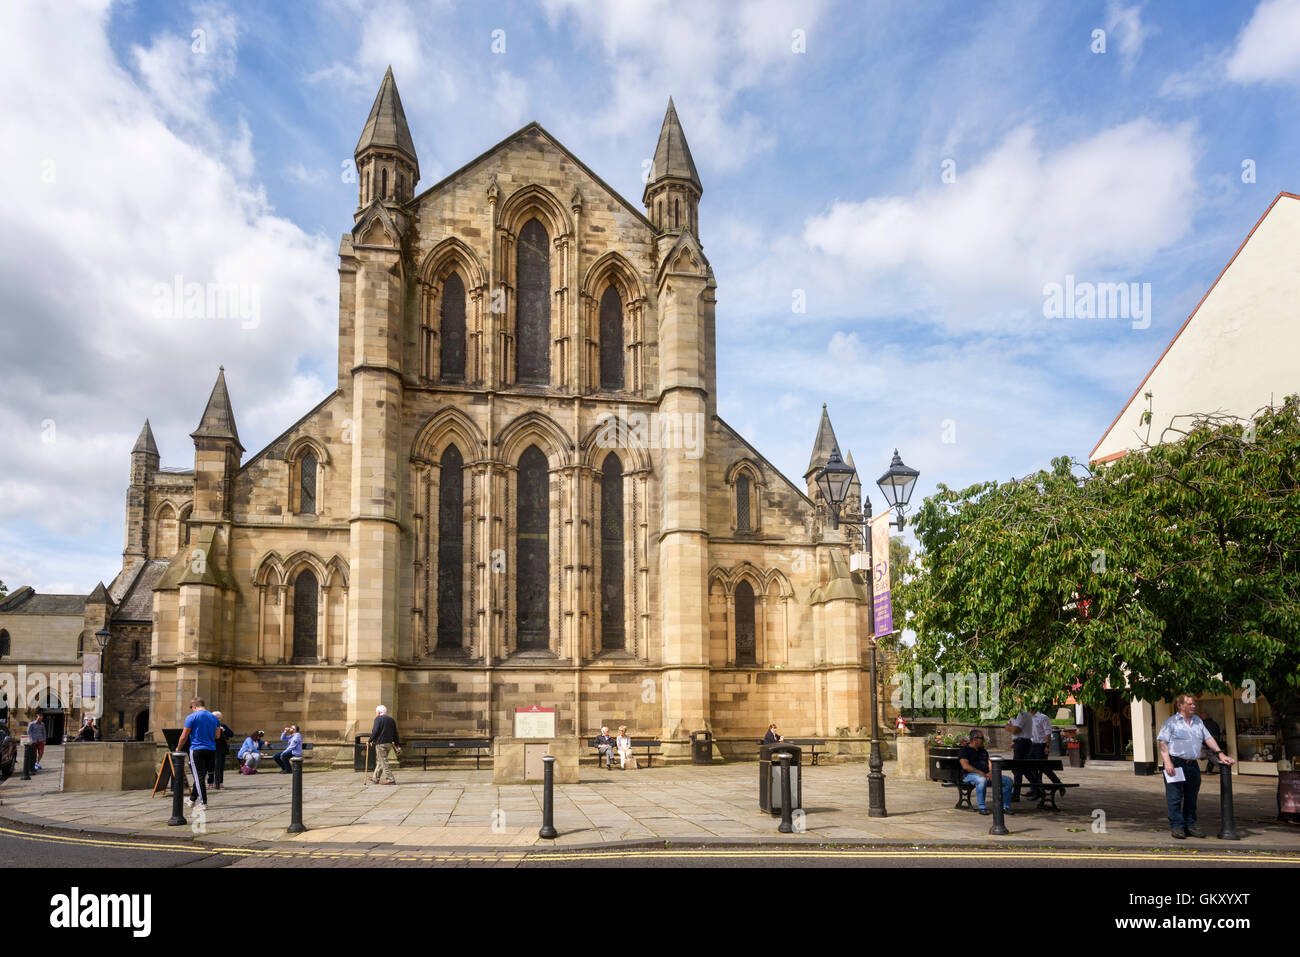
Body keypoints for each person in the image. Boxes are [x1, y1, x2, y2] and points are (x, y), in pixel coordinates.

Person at [1157, 694, 1235, 839]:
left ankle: (1190, 825)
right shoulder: (1171, 722)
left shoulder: (1198, 721)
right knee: (1174, 797)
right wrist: (1167, 762)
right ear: (1180, 706)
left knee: (1191, 798)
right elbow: (1163, 743)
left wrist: (1221, 754)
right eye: (1190, 704)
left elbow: (1208, 738)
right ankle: (1177, 827)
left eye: (1194, 704)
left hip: (1192, 765)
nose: (1194, 706)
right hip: (1175, 763)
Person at [175, 697, 218, 810]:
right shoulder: (214, 717)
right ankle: (192, 799)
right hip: (211, 749)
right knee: (200, 776)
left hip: (197, 749)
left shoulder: (191, 717)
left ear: (194, 706)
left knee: (198, 777)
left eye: (192, 708)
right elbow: (217, 736)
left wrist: (178, 748)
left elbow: (184, 736)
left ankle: (203, 803)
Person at [957, 730, 1013, 815]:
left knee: (1008, 781)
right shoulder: (965, 750)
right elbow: (965, 766)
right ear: (975, 739)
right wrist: (981, 773)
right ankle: (982, 807)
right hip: (969, 775)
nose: (983, 740)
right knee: (981, 780)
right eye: (982, 738)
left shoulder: (983, 751)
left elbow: (989, 763)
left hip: (986, 775)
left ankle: (1004, 807)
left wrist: (990, 772)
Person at [369, 705, 401, 785]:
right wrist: (397, 744)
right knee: (381, 761)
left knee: (383, 762)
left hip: (380, 744)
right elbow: (395, 733)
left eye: (376, 712)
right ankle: (375, 778)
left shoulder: (378, 719)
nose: (376, 713)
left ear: (379, 712)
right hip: (389, 744)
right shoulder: (391, 720)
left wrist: (370, 740)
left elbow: (375, 731)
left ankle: (391, 779)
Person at [1007, 710, 1034, 801]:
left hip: (1022, 742)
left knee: (1018, 769)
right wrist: (1010, 728)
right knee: (1023, 768)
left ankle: (1016, 794)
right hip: (1019, 742)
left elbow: (1015, 730)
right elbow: (1007, 727)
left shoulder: (1022, 713)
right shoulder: (1015, 713)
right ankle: (1037, 787)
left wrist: (1010, 727)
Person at [208, 712, 234, 789]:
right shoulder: (209, 726)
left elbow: (231, 734)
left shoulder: (223, 726)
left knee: (220, 766)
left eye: (218, 718)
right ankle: (211, 782)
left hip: (221, 749)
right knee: (210, 766)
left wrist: (224, 730)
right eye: (215, 717)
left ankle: (220, 782)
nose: (217, 719)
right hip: (211, 748)